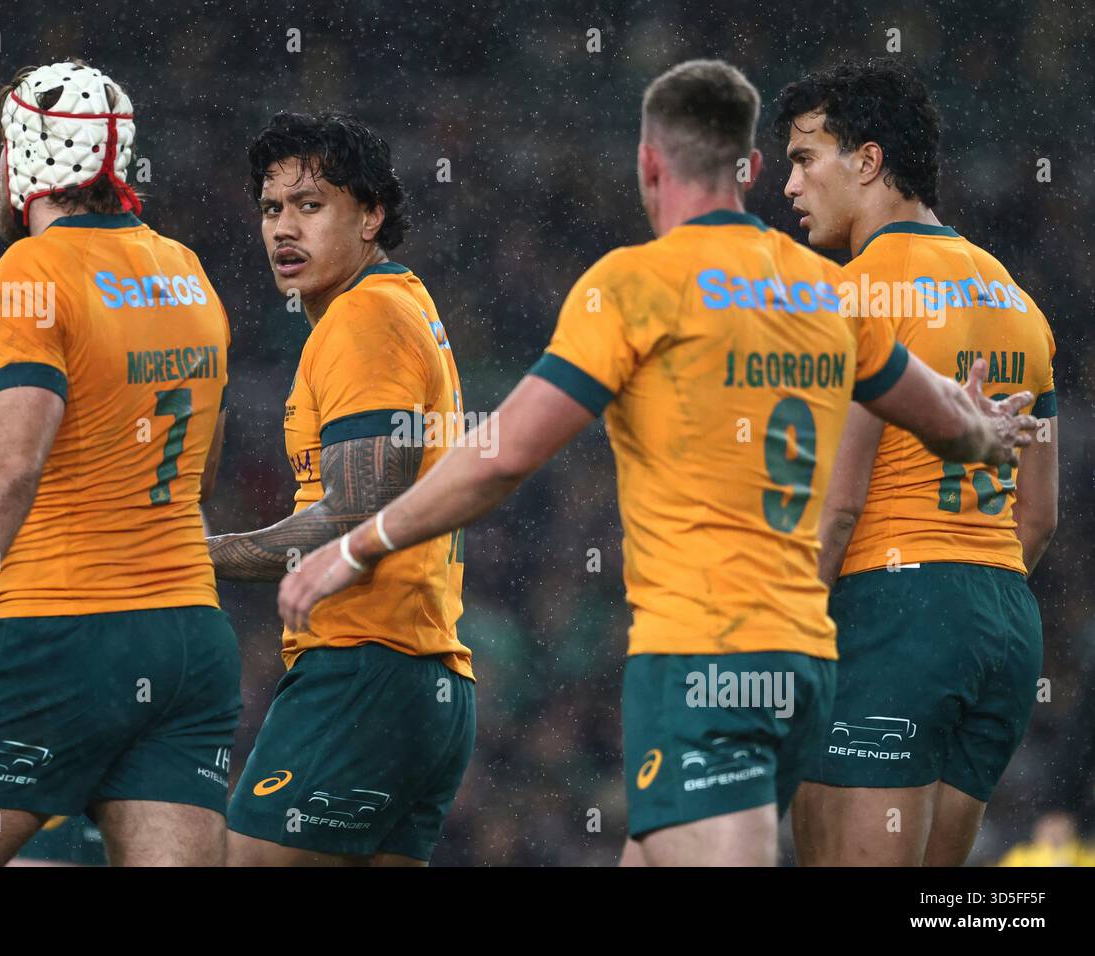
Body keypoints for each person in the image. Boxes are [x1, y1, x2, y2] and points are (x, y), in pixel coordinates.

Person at [277, 60, 1038, 866]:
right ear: (746, 168)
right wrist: (988, 429)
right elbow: (956, 424)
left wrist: (359, 544)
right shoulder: (829, 293)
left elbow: (501, 457)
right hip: (806, 661)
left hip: (705, 657)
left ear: (648, 164)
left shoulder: (635, 286)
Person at [0, 60, 239, 866]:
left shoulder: (28, 273)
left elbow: (11, 459)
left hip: (66, 630)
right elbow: (197, 479)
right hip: (190, 641)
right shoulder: (186, 272)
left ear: (21, 161)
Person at [777, 59, 1059, 867]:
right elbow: (1038, 518)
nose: (790, 187)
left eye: (804, 160)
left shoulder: (848, 299)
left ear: (866, 161)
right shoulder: (1019, 301)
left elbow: (838, 505)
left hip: (891, 613)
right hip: (1003, 621)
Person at [210, 113, 475, 866]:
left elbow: (356, 510)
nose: (283, 229)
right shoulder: (406, 301)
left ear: (371, 215)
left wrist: (193, 554)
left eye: (310, 205)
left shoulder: (364, 317)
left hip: (363, 669)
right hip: (429, 684)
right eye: (271, 209)